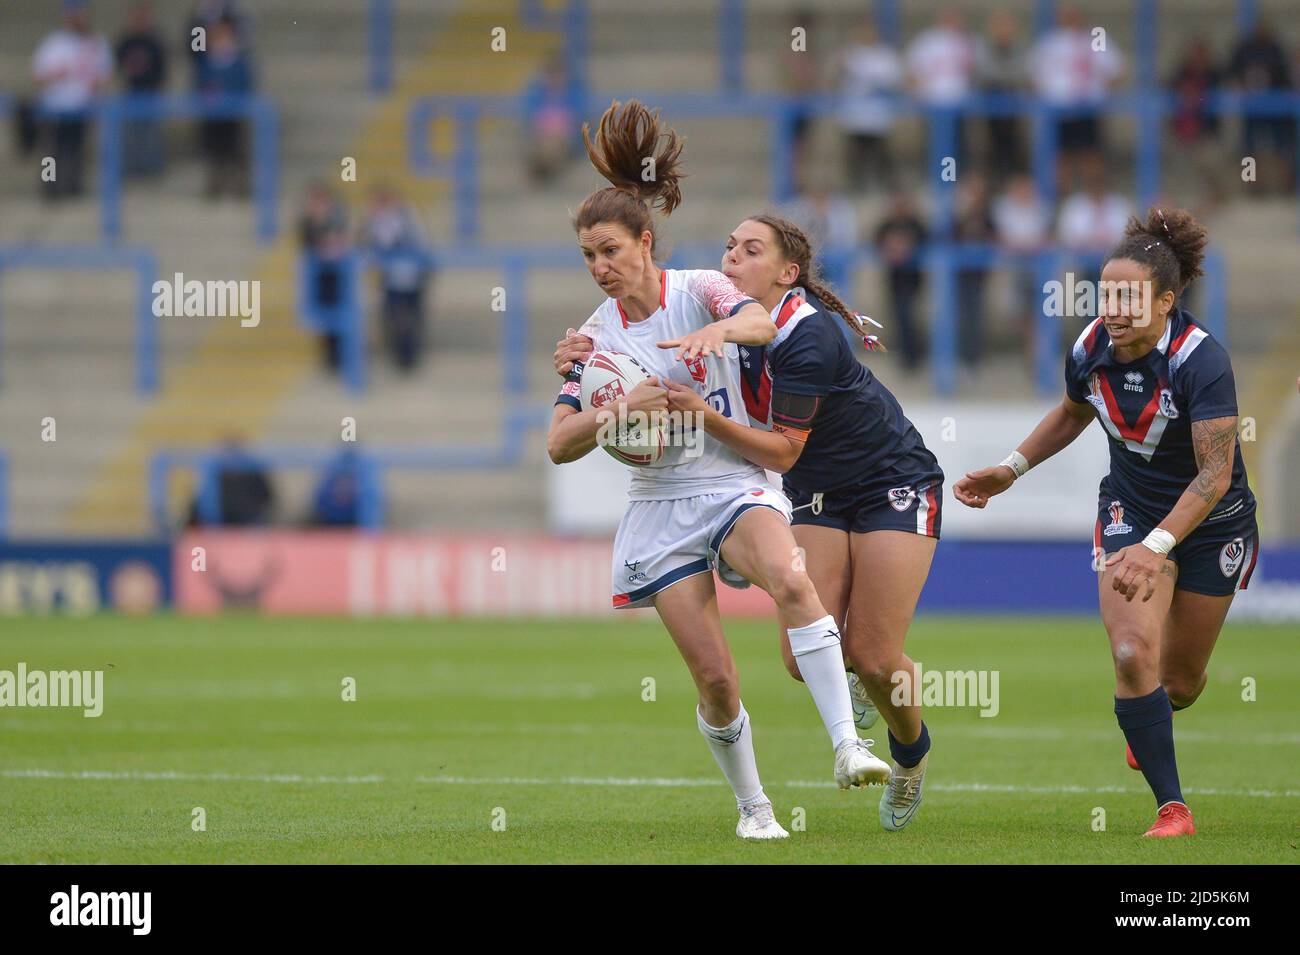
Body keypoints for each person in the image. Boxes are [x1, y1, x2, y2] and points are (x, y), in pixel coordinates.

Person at [547, 100, 891, 840]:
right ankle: (754, 810)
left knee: (792, 579)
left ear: (645, 241)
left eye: (609, 250)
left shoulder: (703, 286)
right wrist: (618, 410)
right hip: (660, 502)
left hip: (733, 480)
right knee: (715, 677)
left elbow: (763, 321)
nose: (600, 268)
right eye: (588, 257)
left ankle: (847, 744)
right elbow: (558, 442)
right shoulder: (593, 344)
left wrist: (719, 327)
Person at [954, 208, 1257, 838]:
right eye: (1105, 294)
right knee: (1129, 654)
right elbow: (1072, 412)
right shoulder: (1091, 347)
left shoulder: (1203, 362)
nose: (1112, 308)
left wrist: (1159, 546)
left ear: (1166, 301)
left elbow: (1213, 477)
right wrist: (1011, 469)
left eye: (1128, 296)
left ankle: (1149, 716)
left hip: (1214, 522)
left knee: (1180, 681)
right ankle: (1172, 808)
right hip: (1130, 508)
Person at [31, 0, 113, 199]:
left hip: (81, 107)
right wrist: (56, 75)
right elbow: (37, 73)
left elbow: (105, 74)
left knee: (75, 148)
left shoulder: (95, 42)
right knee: (53, 150)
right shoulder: (54, 42)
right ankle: (50, 186)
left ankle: (72, 185)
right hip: (55, 107)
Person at [361, 185, 432, 371]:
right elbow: (369, 246)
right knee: (395, 317)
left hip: (410, 277)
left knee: (408, 318)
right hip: (392, 279)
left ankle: (408, 357)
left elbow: (397, 242)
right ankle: (402, 356)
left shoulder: (405, 216)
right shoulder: (376, 220)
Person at [834, 19, 901, 194]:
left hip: (878, 116)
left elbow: (894, 82)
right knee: (856, 152)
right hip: (855, 115)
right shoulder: (850, 54)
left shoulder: (885, 56)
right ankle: (856, 188)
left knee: (880, 152)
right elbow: (837, 78)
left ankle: (884, 188)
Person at [194, 15, 252, 198]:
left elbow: (245, 83)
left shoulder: (238, 62)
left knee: (234, 149)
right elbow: (200, 83)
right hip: (213, 115)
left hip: (233, 114)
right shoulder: (206, 62)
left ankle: (239, 185)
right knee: (214, 150)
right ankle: (215, 184)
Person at [298, 181, 352, 371]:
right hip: (319, 277)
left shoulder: (337, 219)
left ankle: (338, 355)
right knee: (324, 317)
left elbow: (343, 242)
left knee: (339, 314)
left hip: (336, 276)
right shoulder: (308, 221)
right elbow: (306, 244)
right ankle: (331, 355)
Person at [873, 194, 928, 373]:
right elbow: (877, 242)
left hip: (912, 280)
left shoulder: (915, 225)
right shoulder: (887, 225)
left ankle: (913, 355)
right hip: (895, 279)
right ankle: (904, 354)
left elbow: (925, 241)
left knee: (909, 316)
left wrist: (908, 248)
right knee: (898, 316)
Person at [115, 0, 168, 177]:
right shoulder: (125, 40)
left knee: (151, 133)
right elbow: (117, 65)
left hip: (151, 94)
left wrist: (158, 89)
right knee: (131, 133)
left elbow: (163, 67)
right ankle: (132, 169)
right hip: (131, 94)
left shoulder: (156, 40)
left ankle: (152, 170)